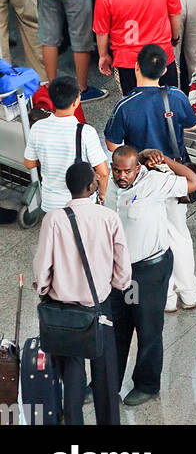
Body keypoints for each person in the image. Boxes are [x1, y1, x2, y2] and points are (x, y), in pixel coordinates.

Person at [32, 159, 130, 428]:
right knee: (106, 374)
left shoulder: (53, 219)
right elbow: (122, 265)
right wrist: (118, 285)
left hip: (64, 312)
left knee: (72, 379)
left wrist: (43, 289)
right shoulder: (109, 217)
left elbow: (42, 266)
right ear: (91, 186)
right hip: (99, 308)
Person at [104, 43, 196, 313]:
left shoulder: (125, 105)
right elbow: (190, 124)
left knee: (156, 241)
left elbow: (113, 146)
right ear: (166, 69)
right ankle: (190, 293)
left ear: (136, 67)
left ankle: (167, 298)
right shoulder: (176, 96)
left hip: (143, 179)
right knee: (179, 234)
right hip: (173, 173)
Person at [106, 143, 196, 406]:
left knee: (147, 329)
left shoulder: (155, 182)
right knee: (117, 327)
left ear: (137, 168)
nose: (121, 176)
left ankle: (147, 385)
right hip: (121, 270)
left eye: (126, 171)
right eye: (116, 171)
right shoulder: (112, 183)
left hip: (149, 270)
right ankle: (107, 382)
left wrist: (167, 161)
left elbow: (194, 181)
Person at [23, 74, 108, 212]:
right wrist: (102, 195)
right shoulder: (85, 132)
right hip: (81, 203)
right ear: (76, 101)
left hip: (50, 203)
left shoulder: (37, 128)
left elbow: (29, 163)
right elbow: (103, 173)